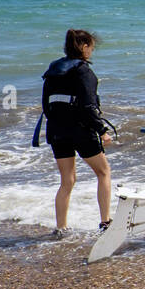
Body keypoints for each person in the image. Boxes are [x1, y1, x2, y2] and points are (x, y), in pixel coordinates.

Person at [40, 29, 114, 236]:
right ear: (83, 47)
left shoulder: (53, 70)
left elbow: (46, 105)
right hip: (81, 131)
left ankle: (61, 228)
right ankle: (105, 222)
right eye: (90, 46)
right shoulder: (84, 71)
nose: (91, 51)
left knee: (67, 180)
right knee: (103, 172)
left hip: (56, 131)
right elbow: (88, 107)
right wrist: (102, 131)